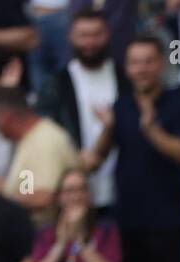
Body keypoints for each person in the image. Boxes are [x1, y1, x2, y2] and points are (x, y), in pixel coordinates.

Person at [82, 35, 180, 262]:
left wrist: (152, 129)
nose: (141, 69)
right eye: (135, 63)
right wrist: (108, 128)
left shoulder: (178, 102)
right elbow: (97, 159)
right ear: (127, 67)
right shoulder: (121, 105)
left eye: (148, 62)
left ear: (161, 64)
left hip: (167, 220)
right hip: (128, 219)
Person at [36, 8, 121, 210]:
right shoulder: (55, 83)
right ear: (70, 37)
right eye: (83, 36)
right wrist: (74, 153)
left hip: (121, 190)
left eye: (96, 35)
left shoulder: (125, 78)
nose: (90, 43)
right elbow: (46, 131)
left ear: (107, 35)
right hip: (74, 194)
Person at [28, 168, 121, 262]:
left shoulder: (106, 230)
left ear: (89, 195)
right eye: (69, 191)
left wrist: (79, 238)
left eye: (82, 189)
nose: (76, 196)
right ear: (59, 197)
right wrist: (60, 244)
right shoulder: (46, 234)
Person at [0, 85, 79, 225]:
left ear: (4, 117)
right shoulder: (30, 140)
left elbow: (43, 197)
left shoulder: (45, 141)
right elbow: (28, 191)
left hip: (46, 236)